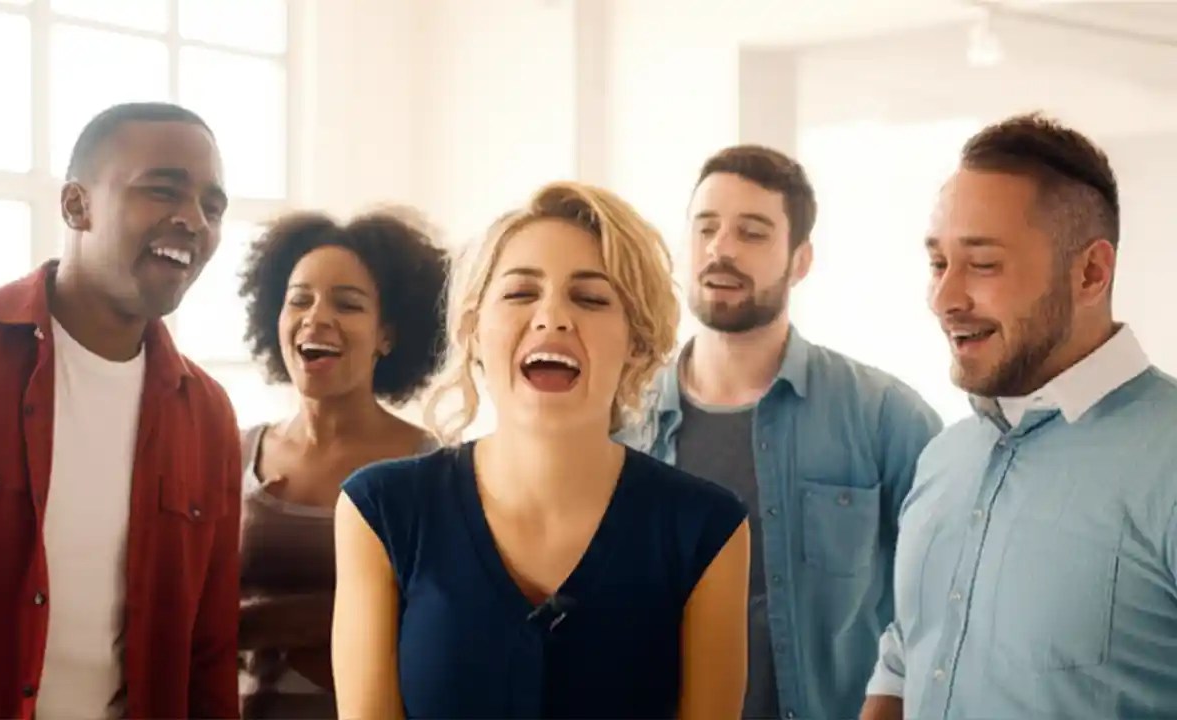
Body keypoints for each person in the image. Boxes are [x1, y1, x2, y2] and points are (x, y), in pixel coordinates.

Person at [331, 181, 752, 719]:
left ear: (637, 342)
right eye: (520, 294)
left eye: (591, 298)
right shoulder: (380, 511)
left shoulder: (708, 529)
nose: (552, 317)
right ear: (473, 331)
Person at [0, 102, 242, 718]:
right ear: (76, 205)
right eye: (163, 190)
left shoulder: (207, 413)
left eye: (211, 207)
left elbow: (209, 650)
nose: (193, 220)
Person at [861, 113, 1177, 720]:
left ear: (1090, 273)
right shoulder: (944, 458)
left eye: (983, 265)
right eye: (938, 264)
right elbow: (903, 660)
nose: (944, 299)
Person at [620, 145, 942, 720]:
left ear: (800, 261)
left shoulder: (885, 417)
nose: (721, 249)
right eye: (706, 228)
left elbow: (946, 603)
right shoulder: (623, 424)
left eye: (752, 232)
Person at [234, 209, 448, 718]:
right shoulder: (237, 451)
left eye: (347, 304)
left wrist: (270, 622)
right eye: (299, 300)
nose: (316, 317)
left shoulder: (433, 467)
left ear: (387, 335)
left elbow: (437, 633)